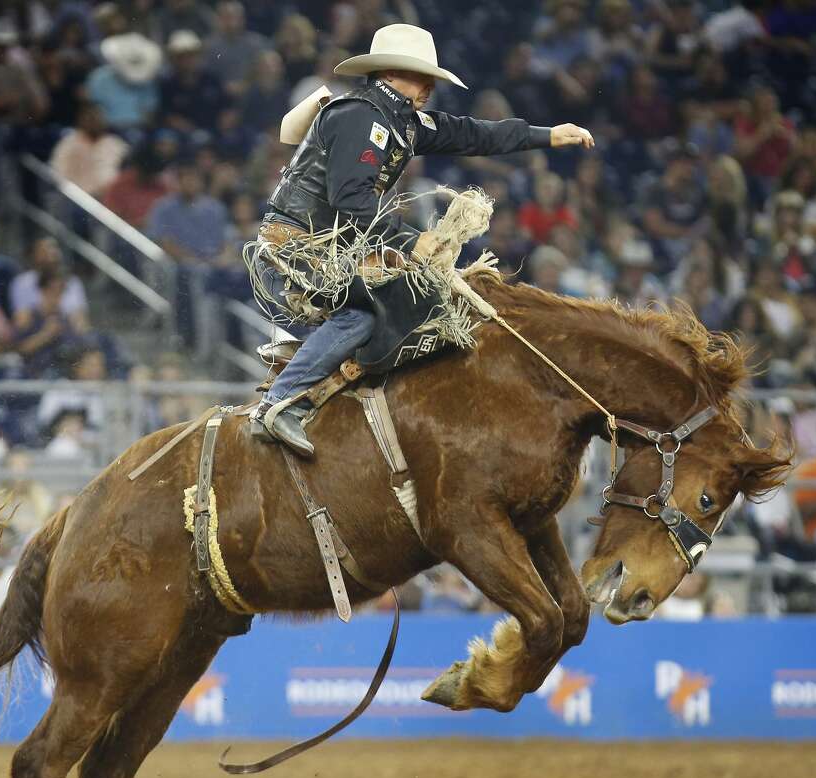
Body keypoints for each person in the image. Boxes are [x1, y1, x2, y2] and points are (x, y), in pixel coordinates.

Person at [246, 24, 594, 456]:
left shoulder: (402, 121)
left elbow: (473, 134)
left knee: (413, 302)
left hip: (324, 251)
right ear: (390, 73)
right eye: (420, 76)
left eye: (430, 78)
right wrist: (409, 241)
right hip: (292, 252)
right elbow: (350, 199)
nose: (429, 86)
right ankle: (280, 404)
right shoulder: (361, 116)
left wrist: (547, 135)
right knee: (365, 314)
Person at [47, 102, 128, 198]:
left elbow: (128, 172)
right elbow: (57, 172)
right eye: (89, 118)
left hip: (108, 196)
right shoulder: (69, 143)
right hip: (75, 198)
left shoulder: (114, 143)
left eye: (97, 117)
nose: (94, 121)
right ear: (80, 120)